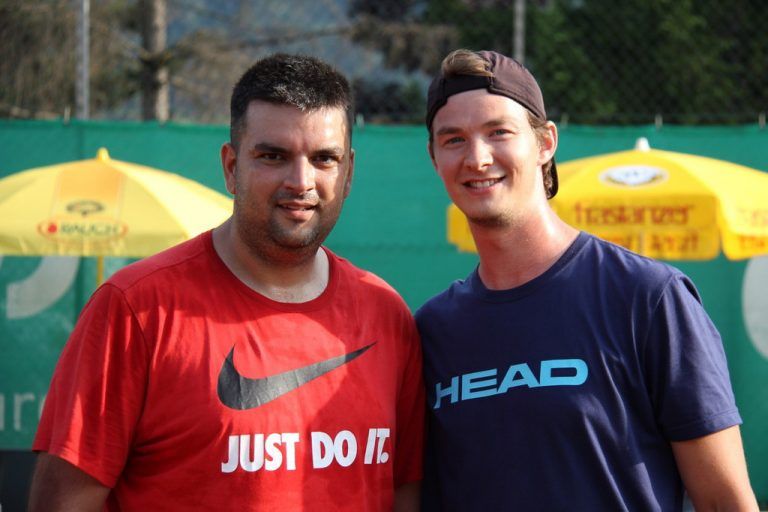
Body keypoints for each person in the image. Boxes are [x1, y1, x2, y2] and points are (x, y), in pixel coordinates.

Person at [29, 53, 424, 512]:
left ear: (349, 171)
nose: (301, 181)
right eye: (273, 156)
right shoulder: (135, 309)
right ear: (231, 167)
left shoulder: (387, 315)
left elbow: (403, 496)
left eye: (323, 159)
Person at [416, 49, 758, 511]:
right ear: (435, 158)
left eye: (499, 132)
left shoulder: (649, 298)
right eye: (453, 139)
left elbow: (724, 502)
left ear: (545, 143)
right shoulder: (433, 329)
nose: (477, 158)